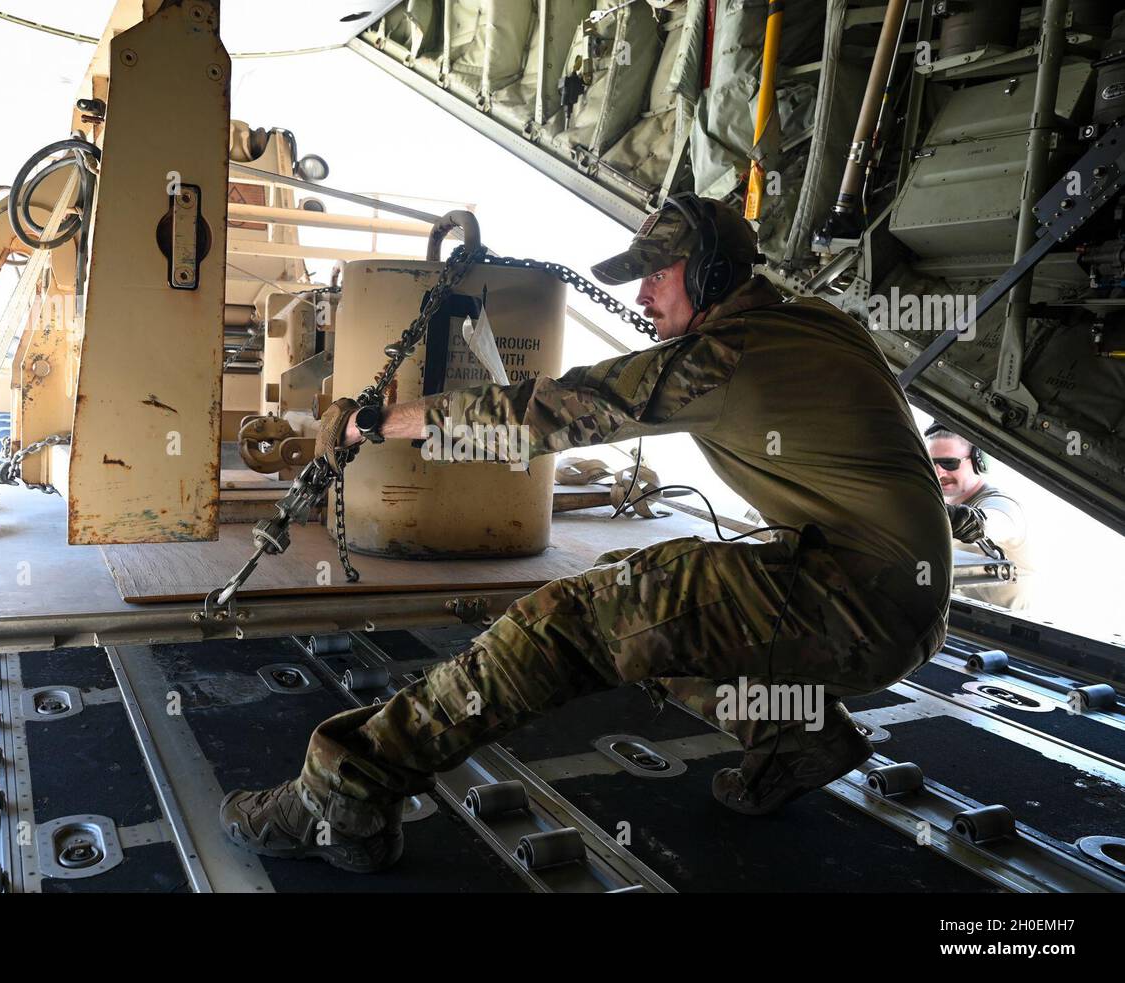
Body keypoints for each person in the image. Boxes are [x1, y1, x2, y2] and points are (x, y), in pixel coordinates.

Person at [219, 195, 952, 873]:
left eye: (657, 275)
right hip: (895, 603)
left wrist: (371, 422)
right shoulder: (817, 325)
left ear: (711, 272)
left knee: (568, 622)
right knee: (652, 606)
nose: (642, 296)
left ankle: (344, 791)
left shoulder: (725, 356)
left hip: (856, 602)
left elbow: (543, 416)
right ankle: (793, 733)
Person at [925, 424, 1035, 610]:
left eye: (949, 463)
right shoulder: (935, 504)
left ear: (978, 462)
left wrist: (976, 521)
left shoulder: (1002, 504)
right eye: (931, 463)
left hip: (995, 635)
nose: (939, 472)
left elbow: (999, 521)